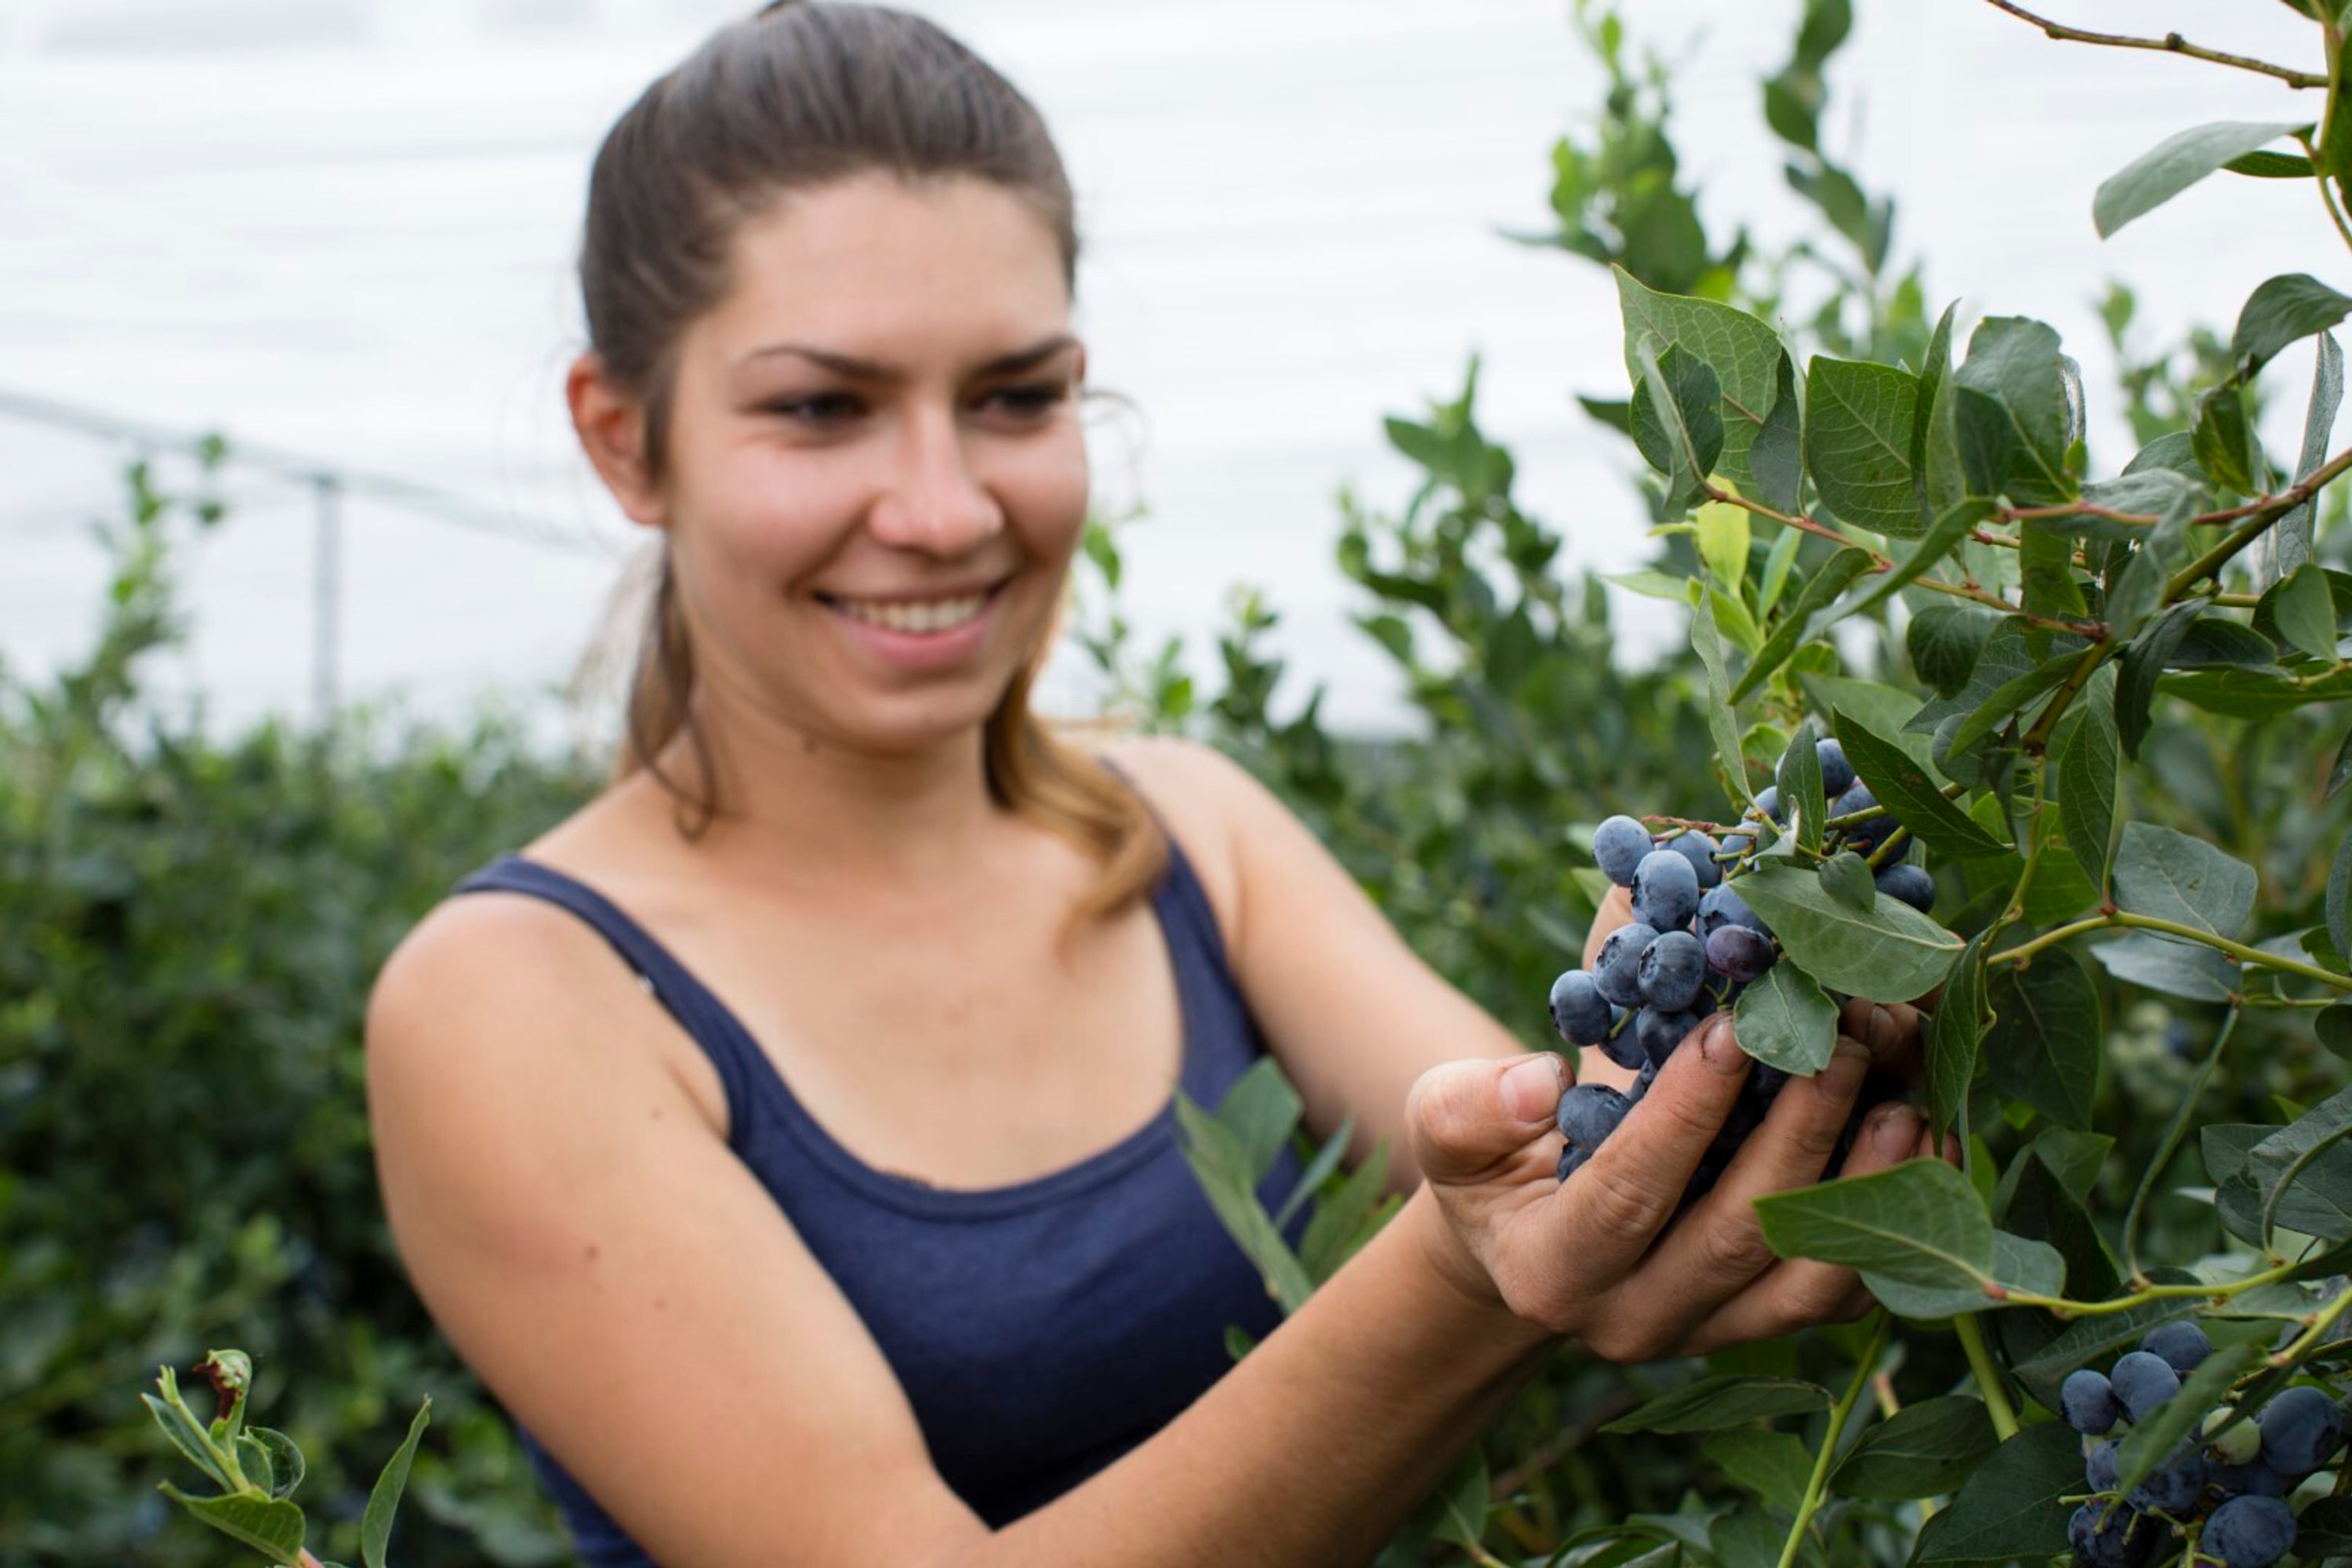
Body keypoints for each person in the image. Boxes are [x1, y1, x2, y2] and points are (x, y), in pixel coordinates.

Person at [361, 5, 1938, 1563]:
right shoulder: (514, 1002)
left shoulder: (1187, 830)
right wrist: (1470, 1282)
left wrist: (1758, 1062)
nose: (943, 504)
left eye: (1016, 396)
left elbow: (1565, 1183)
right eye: (823, 407)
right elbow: (1507, 1244)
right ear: (625, 440)